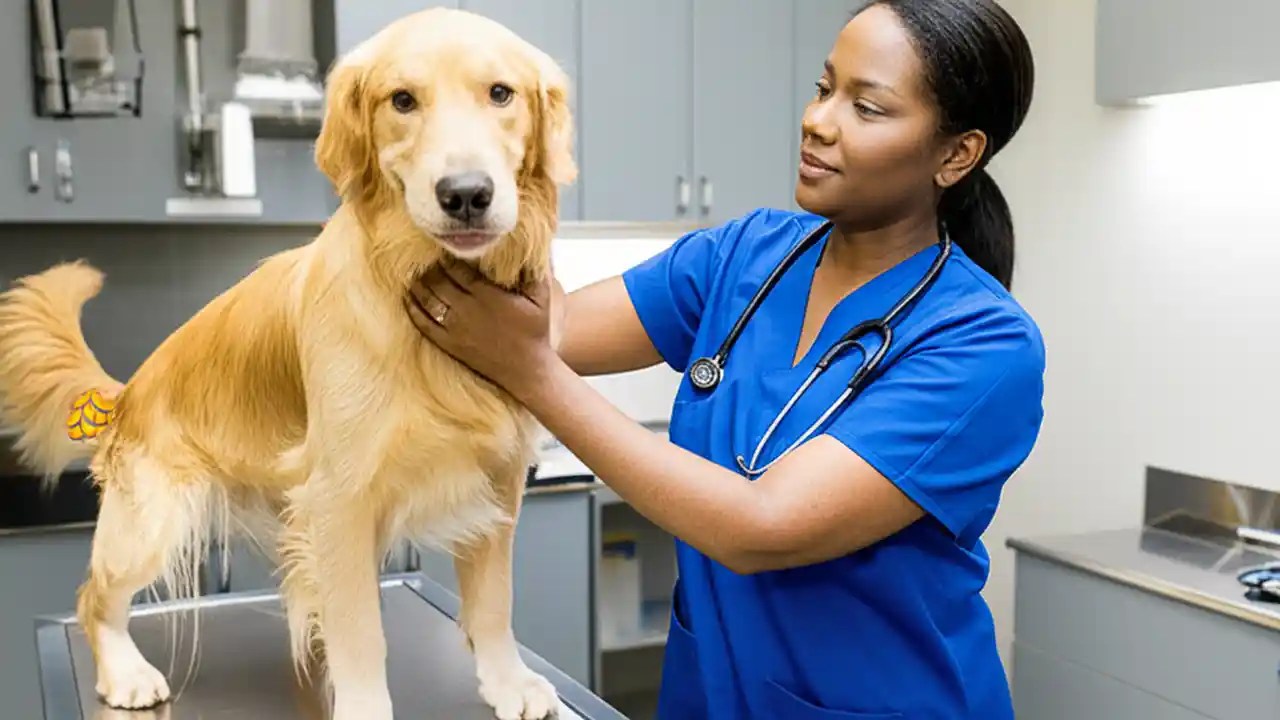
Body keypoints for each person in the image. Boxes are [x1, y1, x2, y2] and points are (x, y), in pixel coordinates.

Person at [405, 0, 1043, 717]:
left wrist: (533, 375)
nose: (818, 119)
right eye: (823, 87)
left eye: (867, 107)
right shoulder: (747, 254)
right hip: (709, 694)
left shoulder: (984, 344)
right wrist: (487, 163)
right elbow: (558, 327)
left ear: (956, 154)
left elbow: (761, 526)